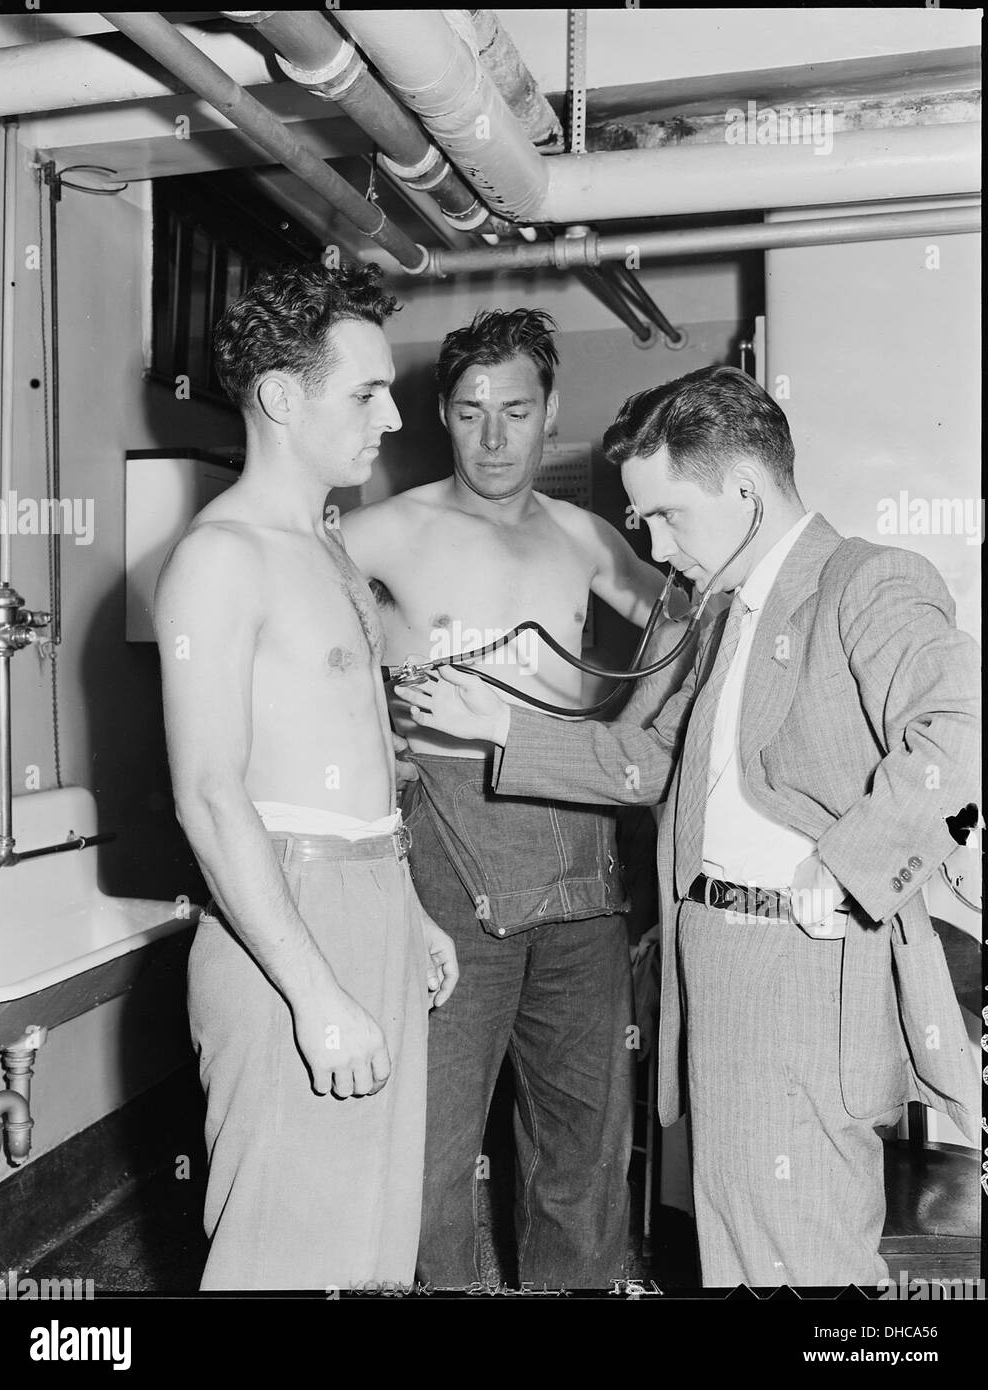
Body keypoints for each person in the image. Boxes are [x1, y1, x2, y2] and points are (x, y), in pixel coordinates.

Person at [402, 364, 980, 1288]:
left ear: (746, 493)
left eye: (670, 516)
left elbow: (962, 738)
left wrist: (849, 871)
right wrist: (504, 727)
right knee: (742, 1251)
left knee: (800, 1260)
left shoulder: (863, 581)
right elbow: (654, 763)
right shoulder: (723, 615)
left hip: (798, 962)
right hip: (716, 962)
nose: (659, 549)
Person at [340, 309, 666, 1289]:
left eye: (515, 412)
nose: (492, 438)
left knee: (583, 1134)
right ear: (442, 412)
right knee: (437, 1140)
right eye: (471, 411)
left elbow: (695, 616)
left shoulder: (588, 538)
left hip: (576, 858)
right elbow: (272, 601)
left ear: (549, 412)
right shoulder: (385, 530)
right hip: (448, 851)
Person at [154, 262, 458, 1291]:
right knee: (281, 1255)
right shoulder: (219, 558)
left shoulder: (328, 550)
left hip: (368, 891)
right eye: (365, 391)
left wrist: (406, 908)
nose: (393, 413)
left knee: (371, 1246)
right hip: (283, 917)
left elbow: (363, 763)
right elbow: (208, 793)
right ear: (283, 399)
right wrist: (317, 991)